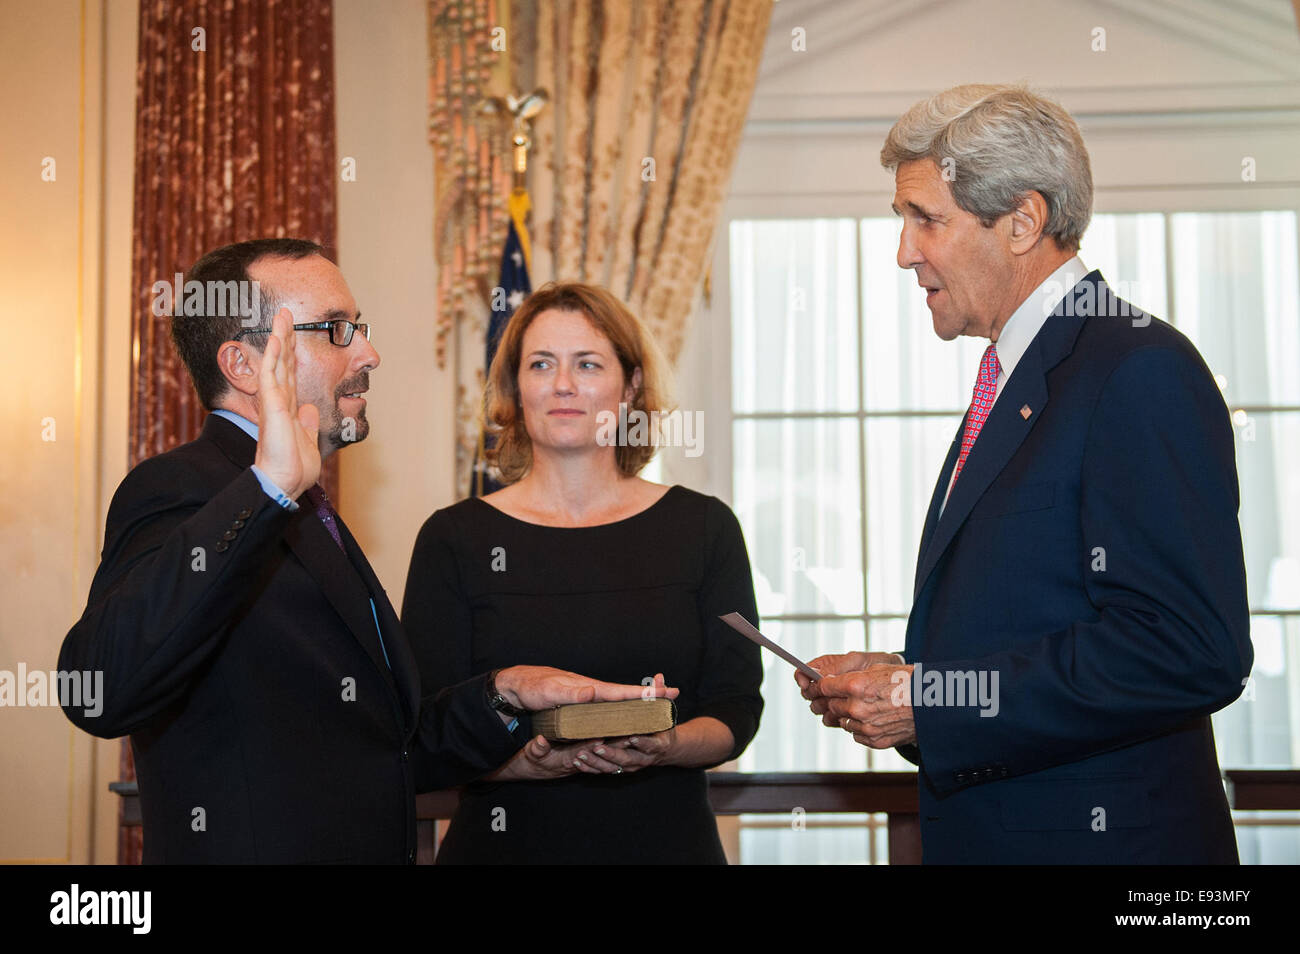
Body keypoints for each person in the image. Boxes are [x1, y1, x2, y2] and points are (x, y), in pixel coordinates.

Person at [59, 239, 673, 864]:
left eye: (360, 327)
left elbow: (385, 746)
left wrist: (507, 692)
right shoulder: (185, 488)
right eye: (336, 330)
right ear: (245, 366)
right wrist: (265, 489)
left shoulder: (309, 508)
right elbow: (99, 689)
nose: (369, 353)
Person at [797, 84, 1252, 864]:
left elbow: (1187, 649)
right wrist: (913, 681)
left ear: (1023, 222)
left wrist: (931, 701)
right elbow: (1029, 624)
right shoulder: (1020, 374)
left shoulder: (1137, 367)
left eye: (926, 219)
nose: (904, 251)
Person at [402, 282, 763, 864]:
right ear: (515, 389)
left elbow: (736, 708)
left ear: (631, 388)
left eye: (587, 364)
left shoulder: (704, 527)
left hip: (668, 847)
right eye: (541, 364)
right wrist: (532, 765)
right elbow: (424, 731)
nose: (563, 384)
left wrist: (664, 746)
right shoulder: (454, 538)